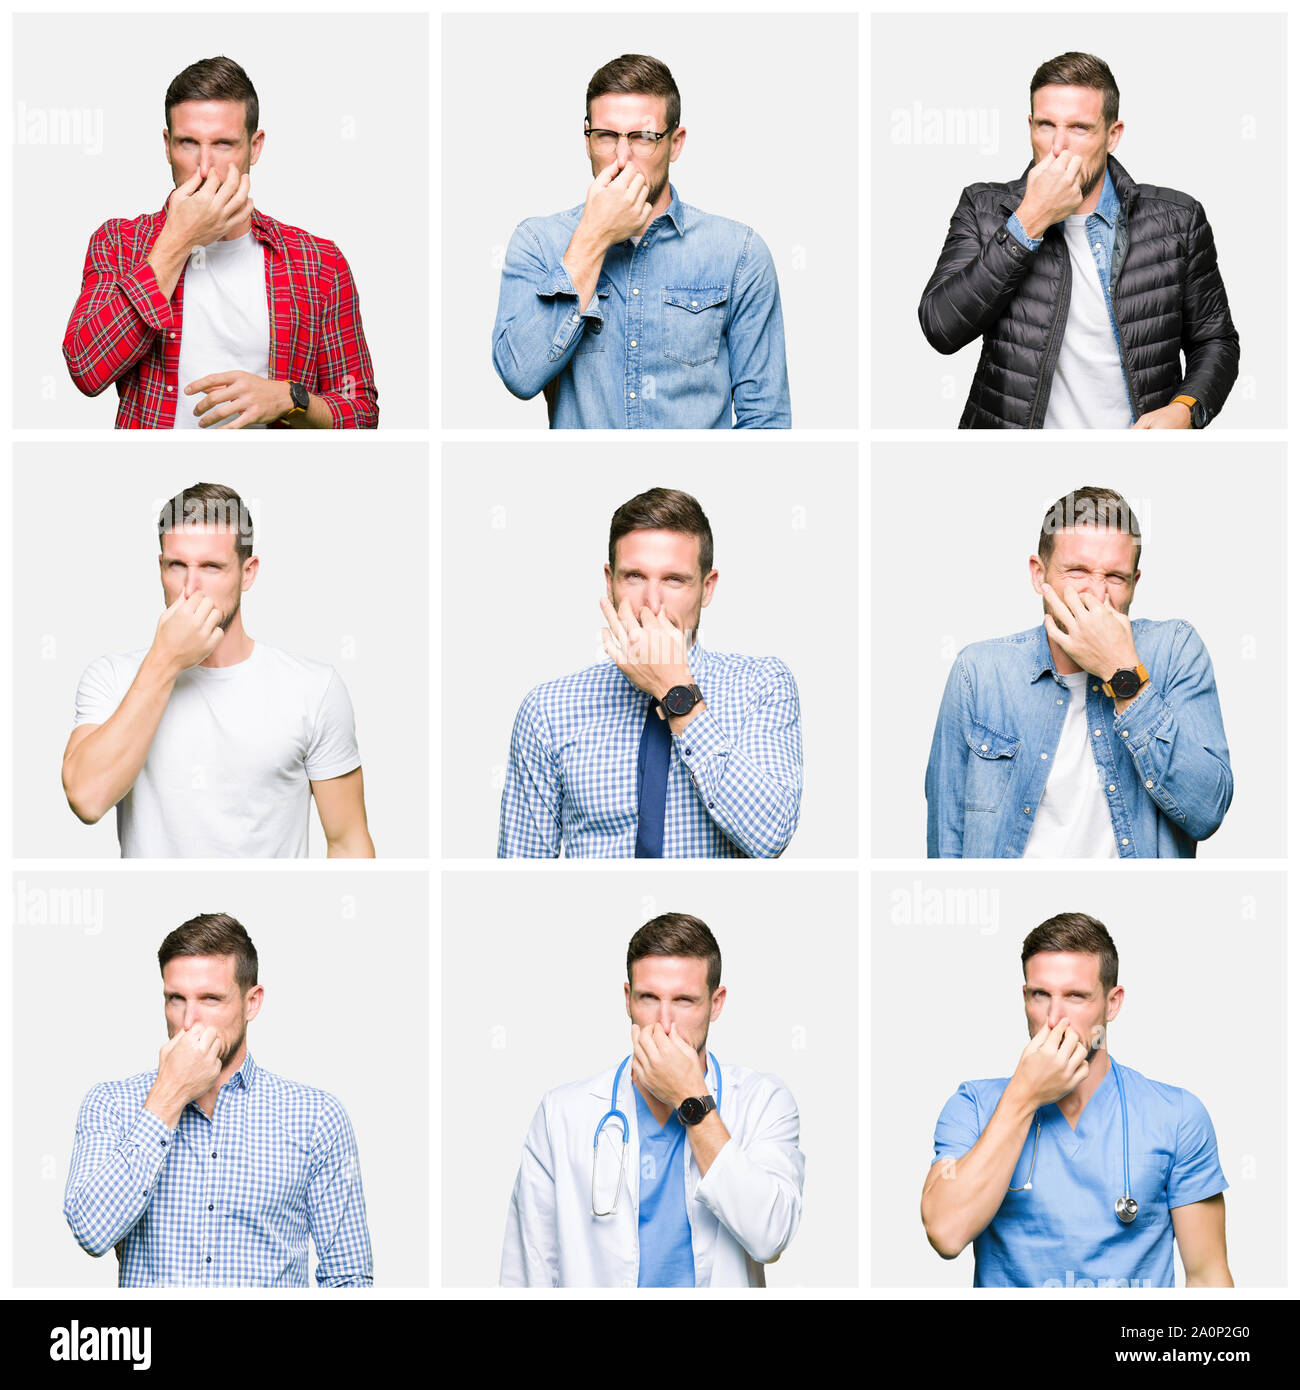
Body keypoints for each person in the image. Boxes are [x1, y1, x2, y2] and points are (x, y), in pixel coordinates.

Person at [919, 52, 1238, 429]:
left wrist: (1185, 408)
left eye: (1079, 128)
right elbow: (941, 327)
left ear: (1112, 135)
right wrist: (1030, 221)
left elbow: (1216, 341)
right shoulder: (984, 208)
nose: (1058, 146)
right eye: (1046, 125)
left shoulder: (1178, 220)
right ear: (1030, 126)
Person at [62, 56, 378, 429]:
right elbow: (87, 370)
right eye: (188, 143)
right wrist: (179, 240)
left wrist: (290, 399)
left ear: (255, 147)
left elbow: (362, 414)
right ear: (167, 146)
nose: (206, 167)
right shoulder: (119, 243)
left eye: (224, 144)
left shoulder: (320, 263)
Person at [62, 482, 375, 858]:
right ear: (160, 568)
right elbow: (87, 800)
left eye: (212, 567)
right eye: (177, 565)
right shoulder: (111, 678)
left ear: (248, 573)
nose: (191, 589)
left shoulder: (314, 687)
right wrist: (166, 659)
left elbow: (348, 841)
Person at [921, 913, 1232, 1288]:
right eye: (1041, 995)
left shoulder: (1177, 1115)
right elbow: (946, 1233)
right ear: (1024, 1000)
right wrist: (1024, 1096)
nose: (1055, 1018)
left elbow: (1208, 1277)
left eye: (1076, 996)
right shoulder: (972, 1106)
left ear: (1112, 1004)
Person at [64, 913, 373, 1287]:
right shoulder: (111, 1104)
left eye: (210, 998)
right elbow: (91, 1233)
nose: (189, 1021)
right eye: (175, 999)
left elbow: (348, 1277)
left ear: (252, 1003)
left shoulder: (316, 1116)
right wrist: (169, 1096)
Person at [925, 485, 1231, 858]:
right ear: (1039, 575)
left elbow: (1206, 812)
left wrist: (1123, 676)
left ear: (1134, 584)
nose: (1097, 595)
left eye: (1115, 577)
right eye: (1077, 571)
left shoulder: (1176, 651)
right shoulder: (979, 674)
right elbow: (946, 845)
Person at [500, 913, 804, 1287]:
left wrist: (690, 1097)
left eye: (684, 1000)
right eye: (649, 998)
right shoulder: (560, 1114)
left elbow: (769, 1237)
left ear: (716, 1002)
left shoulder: (764, 1102)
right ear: (628, 1000)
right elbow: (528, 1272)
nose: (664, 1023)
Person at [498, 488, 802, 857]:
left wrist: (677, 691)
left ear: (707, 588)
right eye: (635, 577)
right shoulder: (547, 710)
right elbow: (523, 875)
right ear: (609, 581)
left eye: (674, 580)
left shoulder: (762, 686)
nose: (652, 603)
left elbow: (770, 837)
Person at [491, 53, 790, 429]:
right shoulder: (538, 243)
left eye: (643, 137)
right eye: (605, 136)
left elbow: (766, 421)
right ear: (587, 140)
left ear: (675, 143)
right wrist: (593, 237)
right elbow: (520, 375)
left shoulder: (740, 254)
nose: (622, 157)